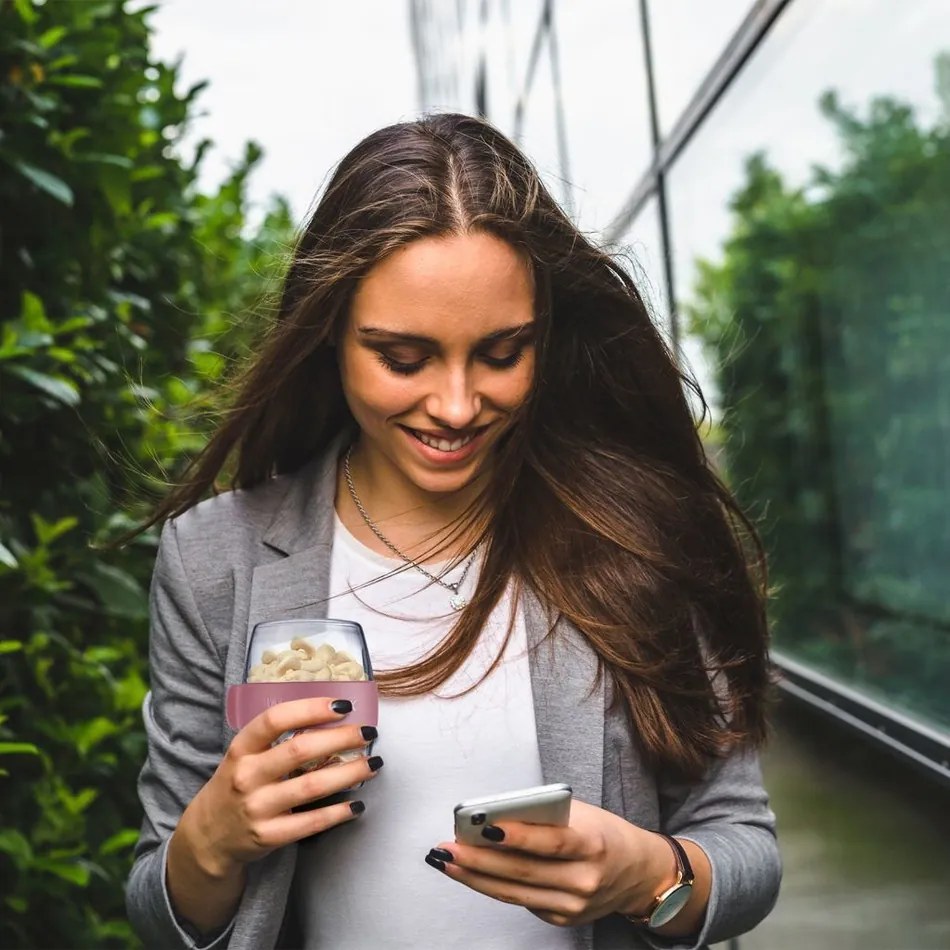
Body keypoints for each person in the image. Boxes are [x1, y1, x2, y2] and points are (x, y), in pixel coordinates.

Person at [125, 112, 781, 950]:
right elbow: (157, 907)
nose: (458, 405)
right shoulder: (215, 557)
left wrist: (650, 875)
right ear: (330, 335)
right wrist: (213, 836)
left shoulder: (634, 532)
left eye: (504, 352)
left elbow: (744, 844)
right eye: (403, 359)